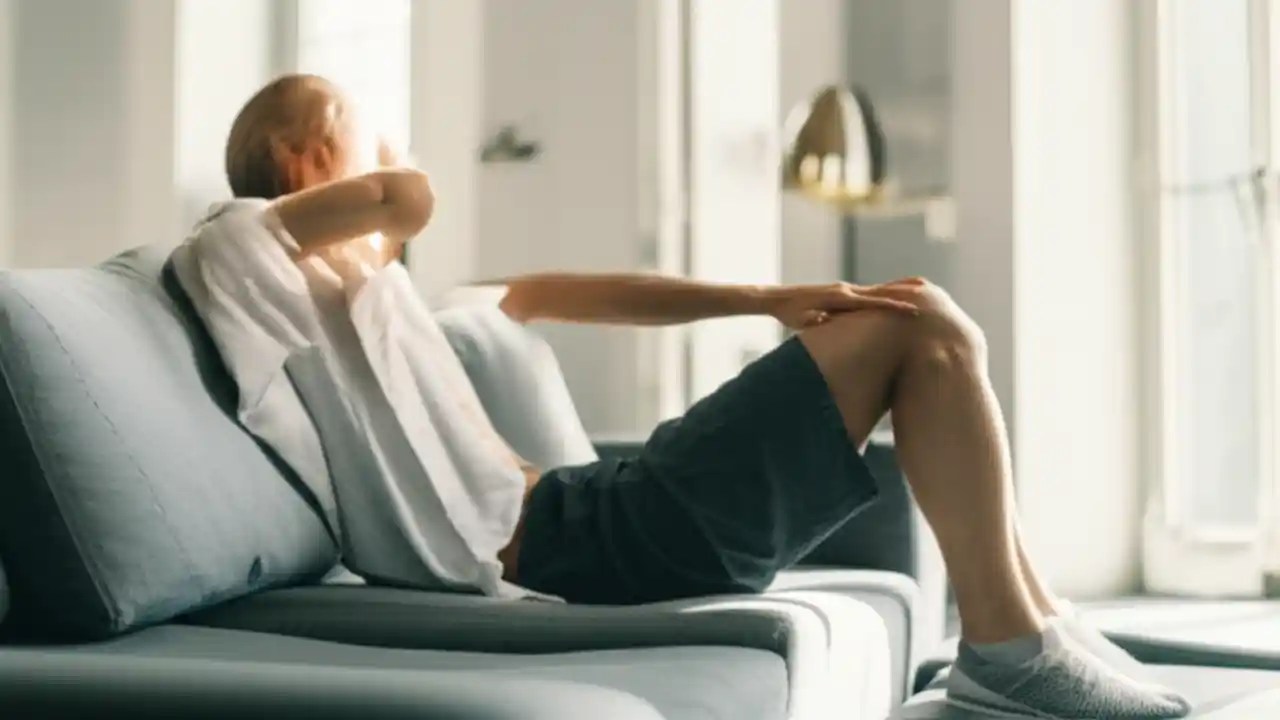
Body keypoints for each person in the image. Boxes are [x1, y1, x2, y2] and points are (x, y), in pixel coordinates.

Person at [173, 74, 1190, 720]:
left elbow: (583, 294)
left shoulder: (393, 309)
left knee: (926, 317)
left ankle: (1031, 621)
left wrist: (771, 298)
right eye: (369, 131)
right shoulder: (243, 251)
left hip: (604, 515)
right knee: (921, 327)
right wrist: (390, 185)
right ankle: (1007, 650)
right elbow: (405, 199)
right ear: (306, 159)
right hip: (584, 547)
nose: (395, 153)